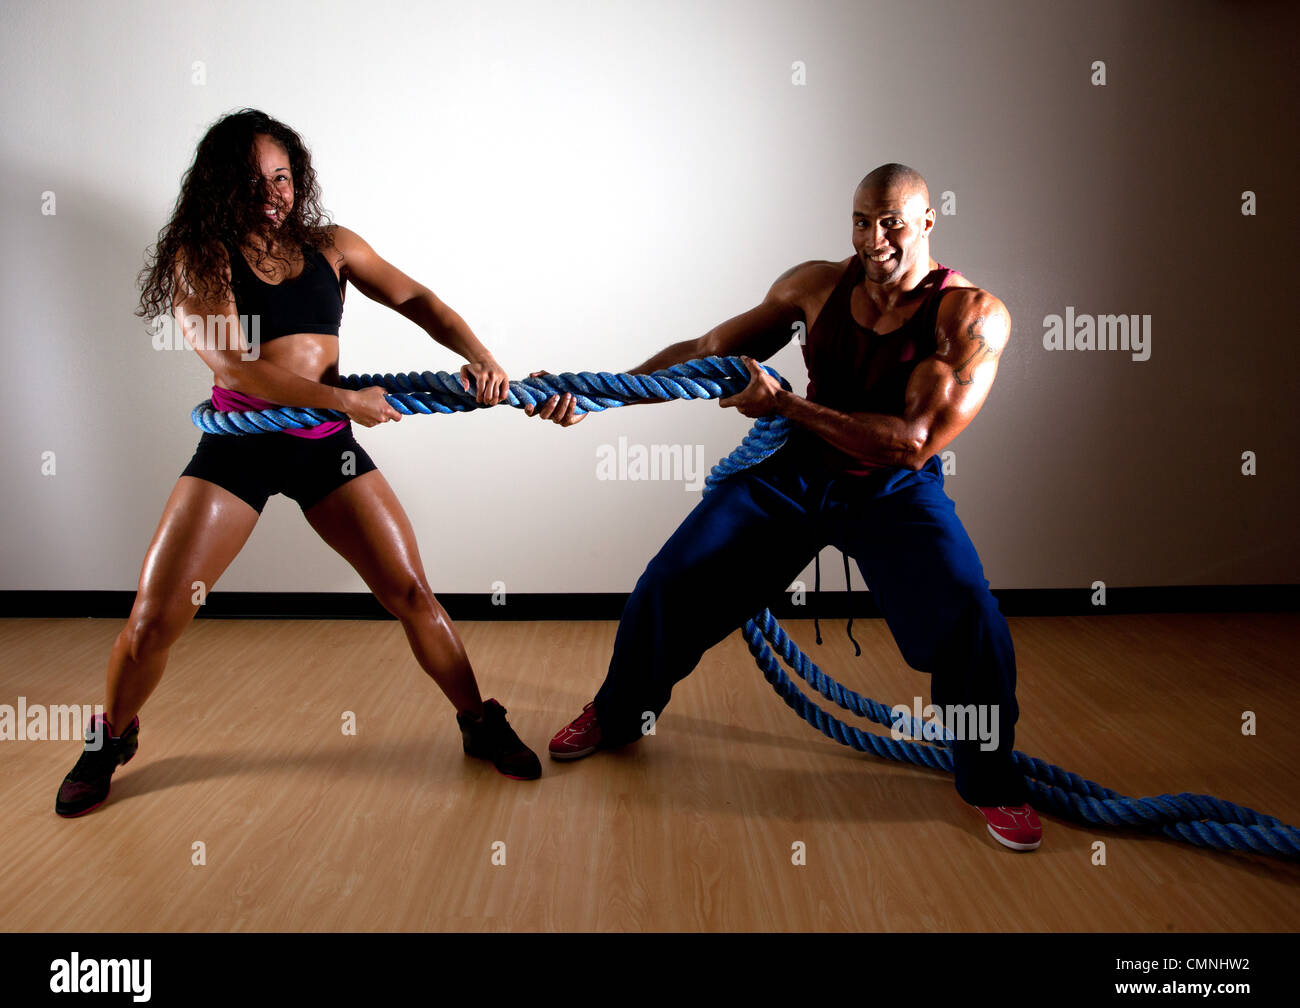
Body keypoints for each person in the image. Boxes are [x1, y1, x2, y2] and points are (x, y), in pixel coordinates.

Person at [529, 163, 1041, 850]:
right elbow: (709, 352)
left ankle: (992, 778)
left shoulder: (971, 316)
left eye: (892, 221)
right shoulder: (816, 286)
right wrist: (594, 393)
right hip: (795, 473)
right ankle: (618, 715)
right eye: (862, 220)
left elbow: (910, 443)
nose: (874, 238)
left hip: (890, 486)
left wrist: (787, 405)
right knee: (671, 581)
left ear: (927, 221)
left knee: (968, 612)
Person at [55, 109, 540, 817]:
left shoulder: (332, 246)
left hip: (323, 449)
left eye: (282, 177)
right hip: (239, 447)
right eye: (254, 182)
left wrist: (482, 360)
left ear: (298, 178)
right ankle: (110, 739)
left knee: (410, 593)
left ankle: (476, 721)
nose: (272, 193)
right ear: (224, 187)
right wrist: (343, 401)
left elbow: (417, 298)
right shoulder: (203, 254)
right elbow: (235, 364)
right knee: (153, 620)